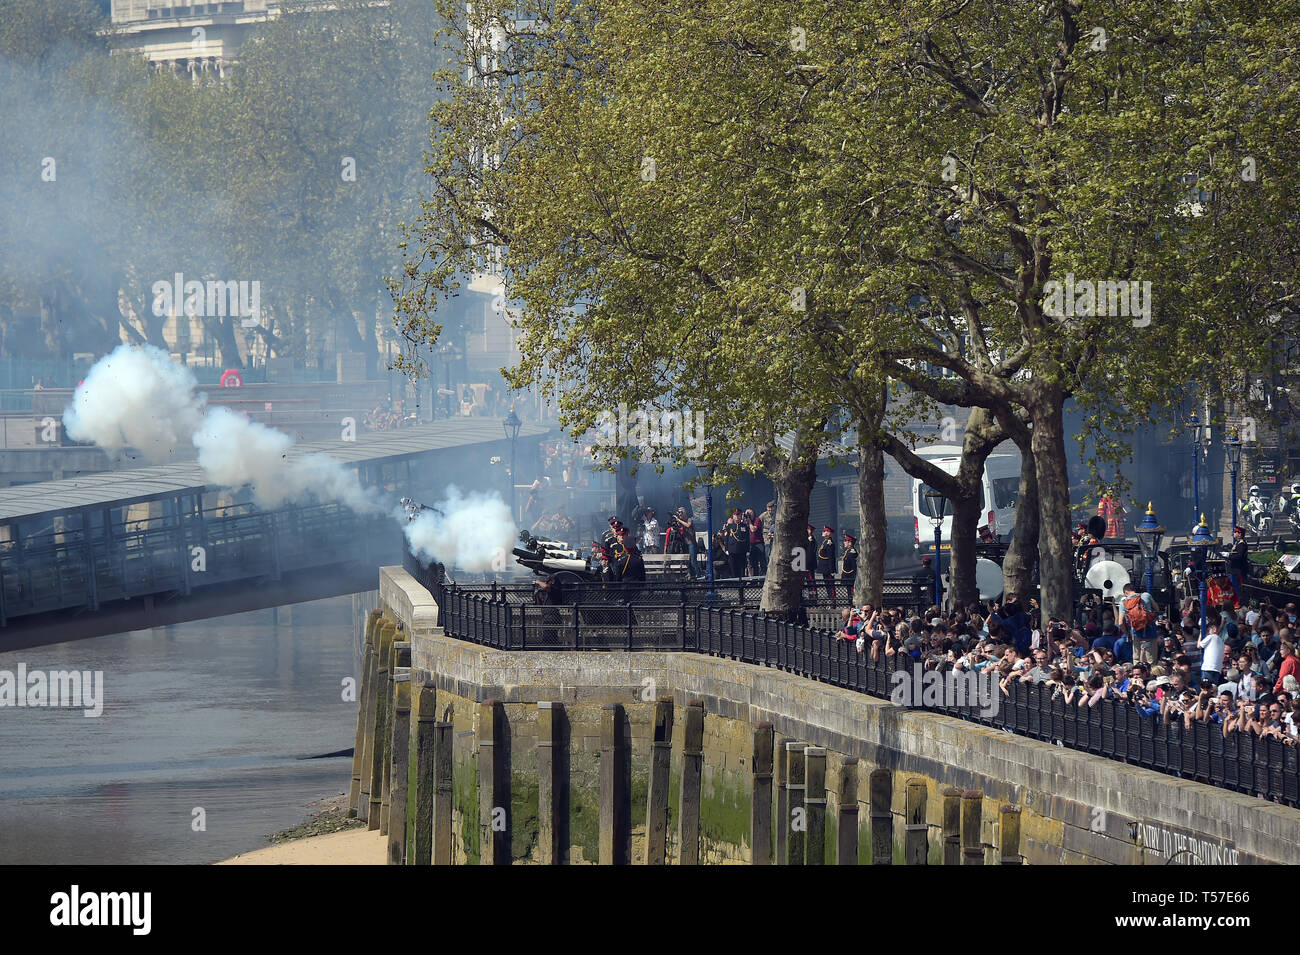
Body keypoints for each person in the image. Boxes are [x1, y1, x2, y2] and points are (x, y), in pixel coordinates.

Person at [1120, 581, 1159, 664]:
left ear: (1126, 592)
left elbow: (1120, 623)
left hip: (1135, 632)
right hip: (1150, 630)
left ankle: (1138, 674)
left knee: (1136, 658)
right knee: (1151, 659)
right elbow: (1157, 609)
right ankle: (1152, 673)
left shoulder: (1123, 603)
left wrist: (1127, 634)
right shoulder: (1146, 595)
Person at [724, 508, 750, 579]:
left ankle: (742, 582)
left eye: (738, 515)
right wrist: (726, 549)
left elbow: (747, 539)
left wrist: (748, 550)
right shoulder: (729, 526)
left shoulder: (744, 526)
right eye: (735, 515)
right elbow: (726, 539)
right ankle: (734, 582)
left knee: (742, 567)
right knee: (733, 567)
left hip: (742, 550)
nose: (737, 517)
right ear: (733, 516)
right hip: (732, 550)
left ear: (741, 516)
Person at [1227, 525, 1248, 600]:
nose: (1234, 533)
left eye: (1235, 532)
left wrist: (1228, 556)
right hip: (1234, 570)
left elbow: (1239, 556)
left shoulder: (1242, 544)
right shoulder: (1237, 543)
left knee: (1237, 587)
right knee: (1233, 587)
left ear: (1239, 534)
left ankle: (1238, 601)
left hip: (1238, 570)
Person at [816, 526, 836, 601]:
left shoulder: (829, 543)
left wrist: (832, 570)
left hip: (828, 568)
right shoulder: (825, 542)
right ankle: (830, 598)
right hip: (824, 568)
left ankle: (832, 600)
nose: (823, 532)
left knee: (830, 586)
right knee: (827, 585)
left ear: (828, 533)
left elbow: (831, 557)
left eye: (825, 531)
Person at [746, 508, 766, 577]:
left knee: (762, 561)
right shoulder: (746, 522)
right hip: (750, 544)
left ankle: (763, 576)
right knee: (753, 562)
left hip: (758, 543)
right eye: (747, 513)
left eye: (750, 513)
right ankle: (755, 578)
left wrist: (749, 522)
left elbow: (753, 529)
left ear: (754, 513)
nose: (749, 515)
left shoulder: (757, 520)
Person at [840, 531, 858, 600]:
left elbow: (854, 566)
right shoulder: (848, 551)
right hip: (847, 576)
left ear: (850, 543)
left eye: (845, 541)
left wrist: (854, 576)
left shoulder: (852, 552)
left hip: (850, 576)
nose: (844, 542)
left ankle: (852, 605)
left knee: (852, 593)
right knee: (849, 593)